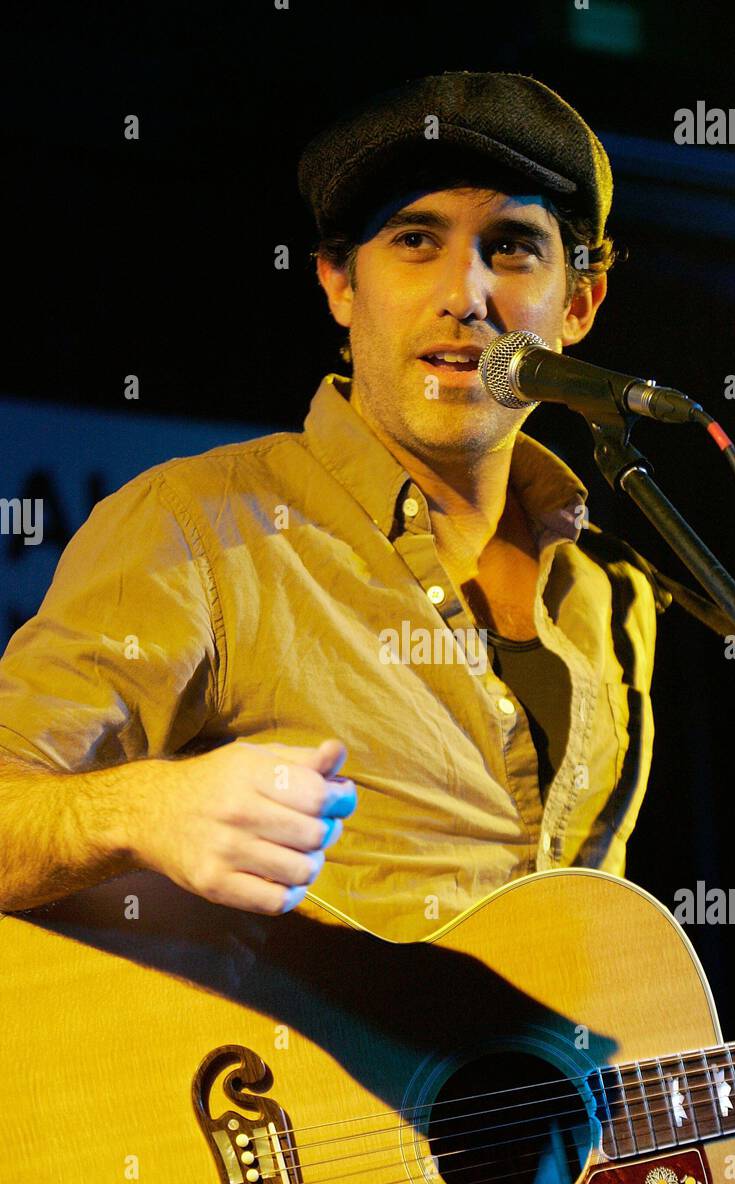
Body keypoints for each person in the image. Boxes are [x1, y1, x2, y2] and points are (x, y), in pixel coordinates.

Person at [0, 71, 668, 943]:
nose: (464, 297)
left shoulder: (609, 599)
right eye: (416, 240)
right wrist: (140, 804)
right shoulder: (195, 527)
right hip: (255, 1083)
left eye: (510, 248)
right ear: (338, 285)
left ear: (578, 303)